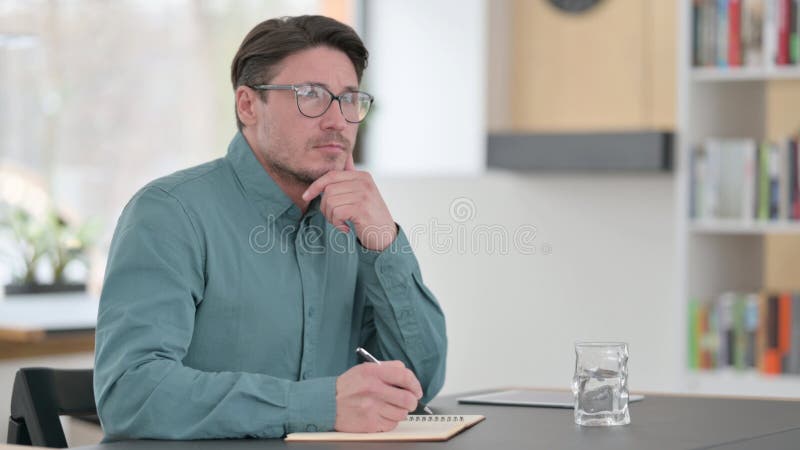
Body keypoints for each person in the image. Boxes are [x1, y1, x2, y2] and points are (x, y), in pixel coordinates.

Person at [93, 15, 447, 440]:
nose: (338, 120)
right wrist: (320, 405)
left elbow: (416, 382)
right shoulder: (170, 214)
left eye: (349, 99)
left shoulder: (351, 224)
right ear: (247, 105)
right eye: (311, 95)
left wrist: (383, 242)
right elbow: (132, 393)